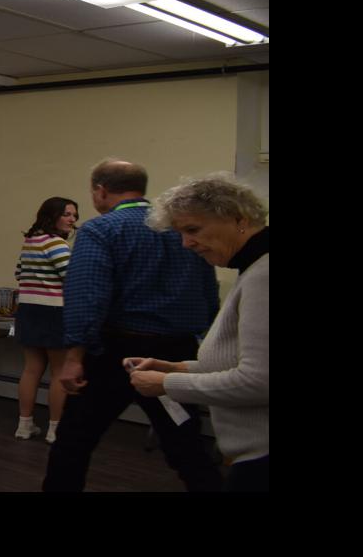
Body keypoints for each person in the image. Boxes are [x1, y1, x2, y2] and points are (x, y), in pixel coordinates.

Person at [42, 159, 222, 493]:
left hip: (116, 352)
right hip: (174, 353)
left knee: (74, 442)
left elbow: (88, 296)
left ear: (101, 190)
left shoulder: (101, 230)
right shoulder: (182, 230)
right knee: (185, 443)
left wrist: (73, 356)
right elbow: (208, 293)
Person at [126, 174, 269, 492]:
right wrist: (176, 367)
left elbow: (258, 382)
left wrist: (167, 383)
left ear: (239, 220)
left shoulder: (263, 276)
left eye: (192, 230)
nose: (186, 243)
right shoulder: (253, 270)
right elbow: (239, 362)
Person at [13, 196, 78, 443]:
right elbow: (71, 279)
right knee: (59, 371)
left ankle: (24, 425)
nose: (72, 220)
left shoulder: (30, 241)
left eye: (74, 215)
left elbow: (19, 273)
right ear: (52, 216)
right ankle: (55, 429)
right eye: (67, 214)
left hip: (29, 311)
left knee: (31, 370)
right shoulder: (57, 244)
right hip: (54, 312)